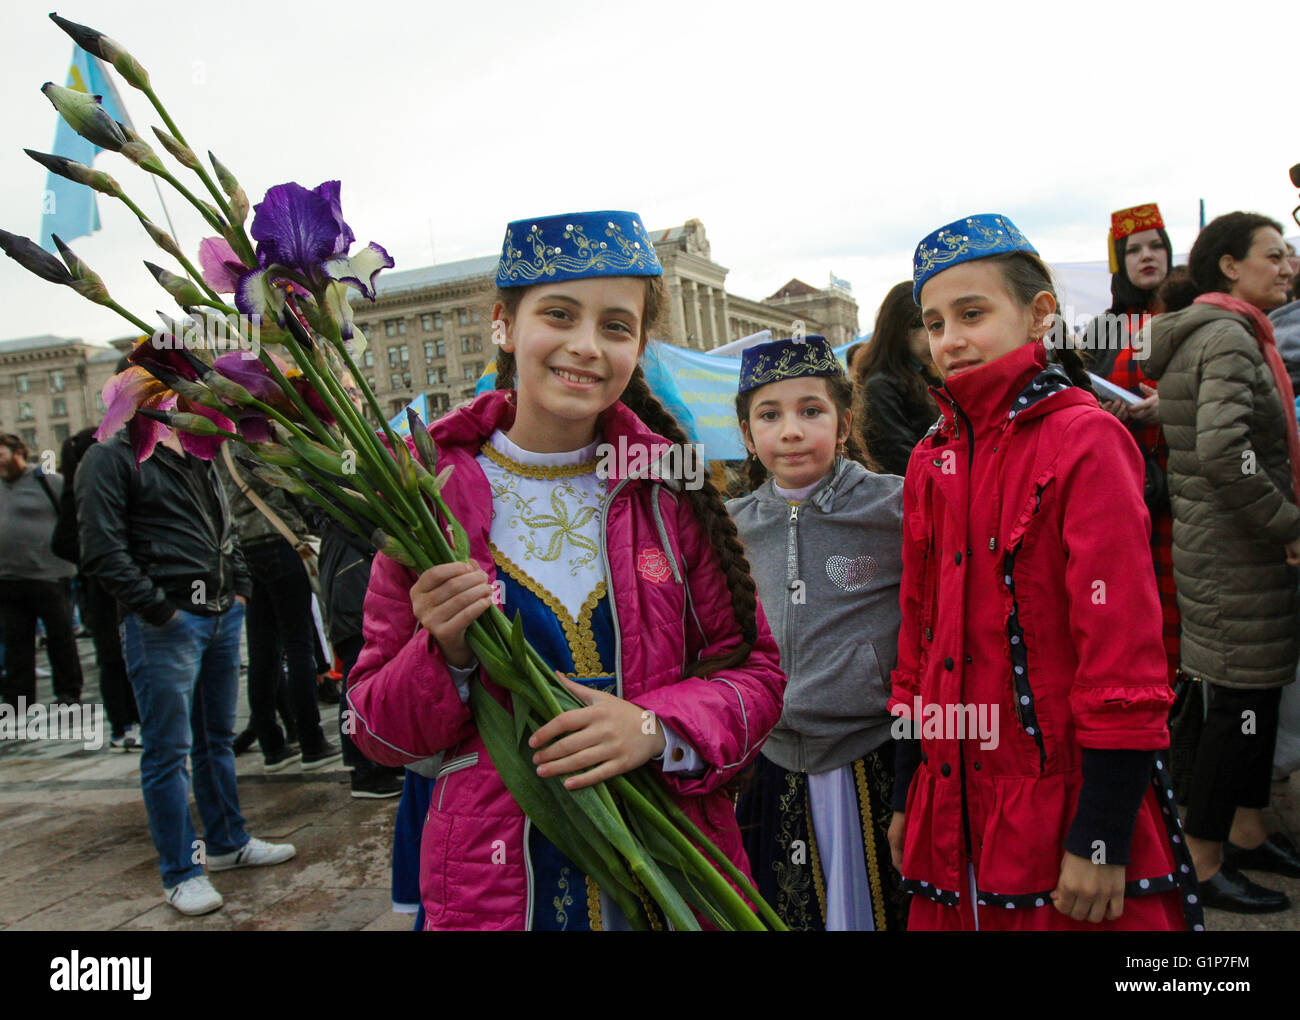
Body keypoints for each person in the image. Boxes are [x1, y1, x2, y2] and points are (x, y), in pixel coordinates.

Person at [346, 210, 785, 930]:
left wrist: (653, 727)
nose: (586, 346)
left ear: (639, 345)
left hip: (673, 877)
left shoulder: (669, 491)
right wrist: (446, 654)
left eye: (615, 326)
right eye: (558, 314)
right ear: (503, 324)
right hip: (498, 891)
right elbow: (375, 731)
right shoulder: (427, 495)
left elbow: (758, 680)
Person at [887, 213, 1199, 931]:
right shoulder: (929, 459)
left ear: (1039, 316)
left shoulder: (1086, 439)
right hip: (950, 803)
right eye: (934, 323)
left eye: (972, 313)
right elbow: (920, 641)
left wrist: (1101, 831)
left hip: (1062, 806)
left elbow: (1122, 653)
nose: (951, 340)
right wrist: (909, 789)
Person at [1140, 211, 1300, 913]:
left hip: (1220, 547)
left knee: (1241, 699)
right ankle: (1202, 863)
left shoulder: (1209, 332)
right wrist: (1288, 522)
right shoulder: (1231, 339)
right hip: (1238, 549)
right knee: (1238, 702)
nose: (1288, 265)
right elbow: (1224, 452)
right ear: (1230, 266)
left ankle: (1244, 829)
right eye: (1274, 254)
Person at [77, 419, 296, 916]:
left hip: (218, 614)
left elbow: (226, 527)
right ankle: (181, 872)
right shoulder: (111, 458)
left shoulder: (197, 451)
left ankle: (226, 843)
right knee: (168, 753)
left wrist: (238, 589)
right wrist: (160, 610)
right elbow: (102, 549)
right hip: (166, 624)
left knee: (214, 741)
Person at [727, 334, 908, 930]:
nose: (792, 431)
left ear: (844, 419)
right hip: (774, 760)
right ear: (749, 436)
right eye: (770, 415)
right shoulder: (732, 528)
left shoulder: (895, 508)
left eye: (811, 410)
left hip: (874, 755)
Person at [1079, 204, 1181, 684]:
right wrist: (1104, 413)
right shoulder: (1100, 329)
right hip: (1130, 493)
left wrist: (1174, 406)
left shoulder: (1195, 313)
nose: (1147, 256)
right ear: (1119, 261)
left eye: (1156, 245)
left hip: (1192, 491)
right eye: (1134, 249)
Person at [218, 447, 340, 773]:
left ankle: (273, 746)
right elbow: (291, 485)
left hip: (243, 549)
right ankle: (311, 742)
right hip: (280, 541)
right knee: (299, 643)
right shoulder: (253, 434)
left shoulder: (215, 444)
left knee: (262, 649)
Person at [53, 426, 141, 748]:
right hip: (105, 586)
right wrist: (99, 556)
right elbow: (62, 541)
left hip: (113, 584)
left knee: (121, 655)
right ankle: (123, 724)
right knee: (114, 656)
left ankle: (131, 722)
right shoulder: (79, 489)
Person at [0, 431, 84, 708]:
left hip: (50, 576)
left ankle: (68, 693)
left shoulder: (46, 480)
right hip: (8, 578)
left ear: (18, 452)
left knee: (60, 638)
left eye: (1, 454)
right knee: (16, 644)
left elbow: (74, 513)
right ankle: (18, 702)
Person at [855, 281, 941, 475]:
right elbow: (901, 459)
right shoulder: (881, 387)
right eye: (932, 327)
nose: (939, 339)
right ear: (903, 329)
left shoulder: (926, 375)